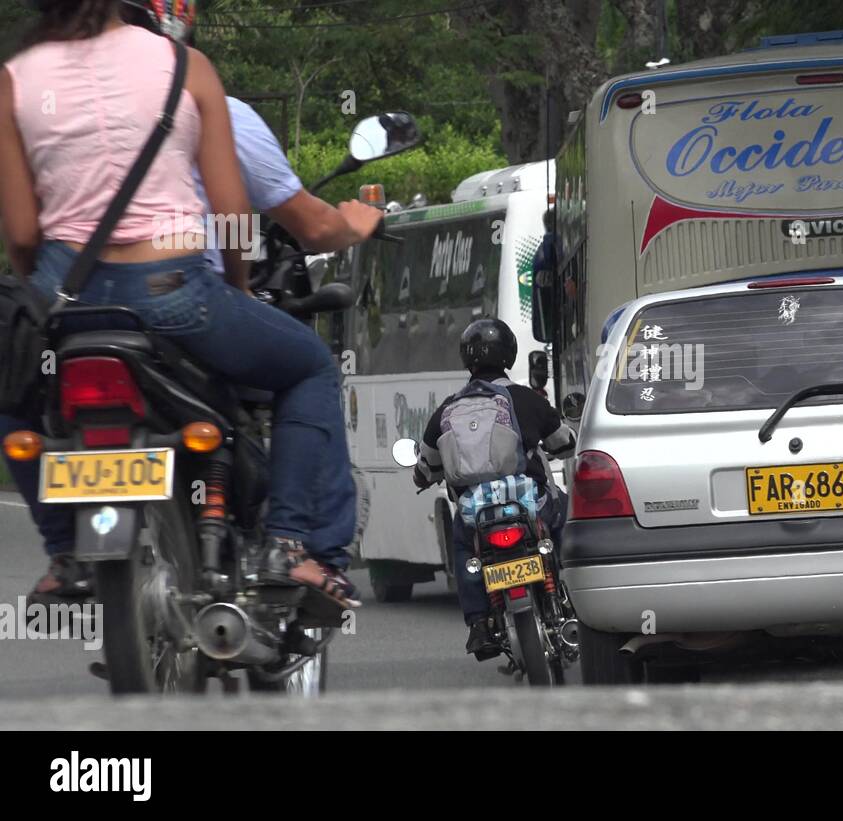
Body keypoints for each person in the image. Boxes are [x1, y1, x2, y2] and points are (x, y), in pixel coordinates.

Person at [0, 0, 358, 609]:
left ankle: (64, 553)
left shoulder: (13, 79)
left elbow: (25, 234)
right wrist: (238, 286)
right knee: (309, 367)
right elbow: (230, 214)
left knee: (12, 387)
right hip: (175, 293)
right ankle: (291, 546)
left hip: (67, 300)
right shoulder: (184, 67)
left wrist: (47, 305)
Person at [412, 319, 575, 656]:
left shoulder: (446, 410)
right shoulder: (526, 399)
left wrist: (424, 477)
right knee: (566, 512)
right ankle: (572, 593)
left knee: (463, 545)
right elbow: (562, 442)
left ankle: (479, 625)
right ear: (510, 354)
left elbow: (426, 466)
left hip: (478, 515)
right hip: (529, 505)